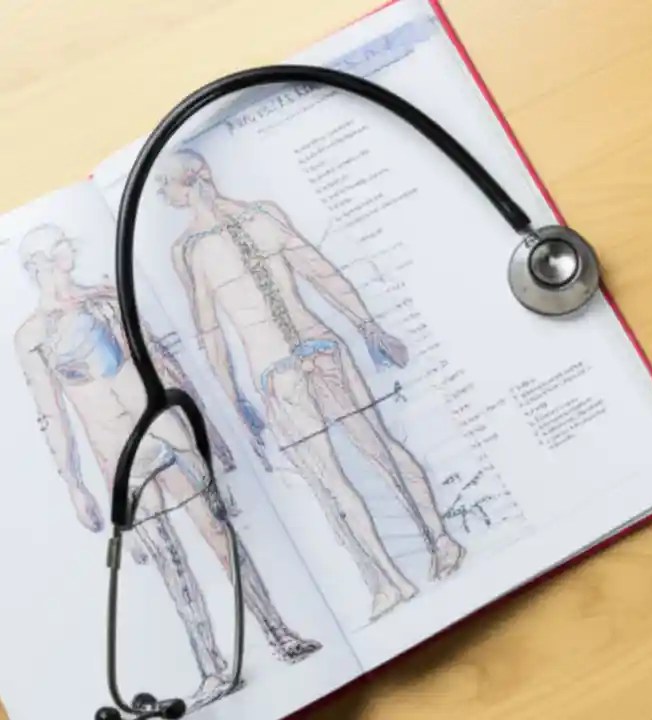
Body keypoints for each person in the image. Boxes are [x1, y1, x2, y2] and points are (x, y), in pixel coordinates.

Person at [13, 225, 321, 707]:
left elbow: (162, 364)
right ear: (39, 263)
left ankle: (278, 633)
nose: (68, 253)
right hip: (120, 458)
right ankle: (212, 670)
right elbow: (50, 414)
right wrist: (75, 486)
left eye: (66, 246)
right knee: (170, 564)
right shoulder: (32, 336)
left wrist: (209, 439)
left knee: (220, 532)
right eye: (58, 250)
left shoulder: (107, 298)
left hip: (165, 432)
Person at [157, 150, 464, 621]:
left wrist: (236, 400)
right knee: (380, 448)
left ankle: (388, 582)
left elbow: (211, 334)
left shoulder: (190, 249)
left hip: (276, 371)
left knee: (331, 482)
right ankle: (439, 543)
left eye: (166, 185)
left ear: (189, 183)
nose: (162, 194)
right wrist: (367, 326)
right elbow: (321, 271)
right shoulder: (262, 215)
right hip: (322, 346)